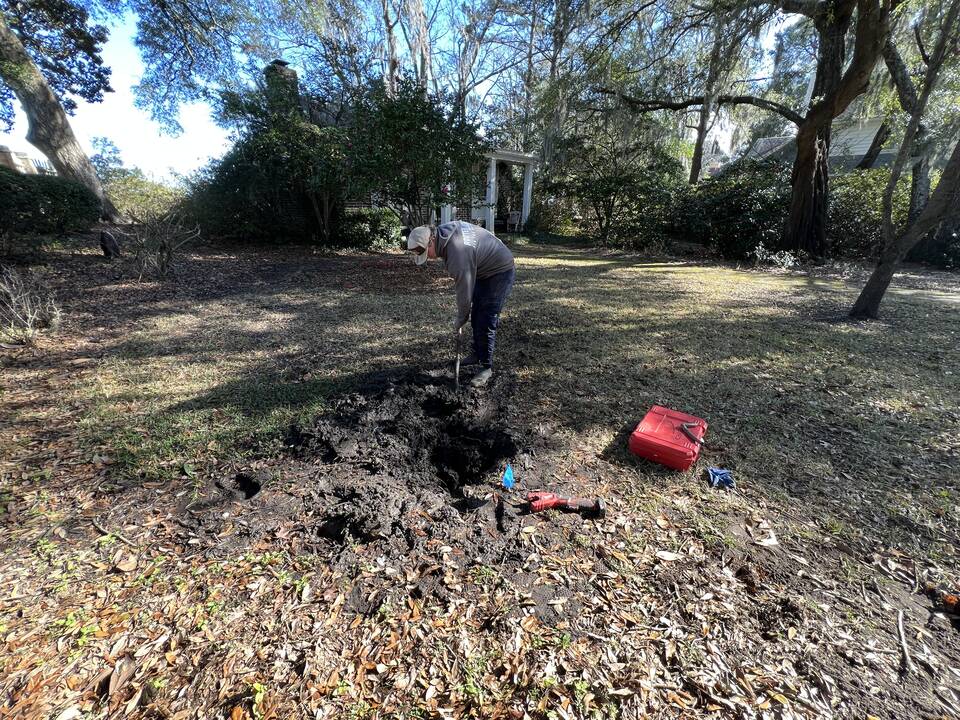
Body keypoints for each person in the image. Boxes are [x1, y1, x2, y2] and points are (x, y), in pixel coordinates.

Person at [407, 221, 515, 386]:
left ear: (431, 240)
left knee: (485, 317)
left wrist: (461, 318)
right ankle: (476, 354)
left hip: (499, 270)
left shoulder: (457, 253)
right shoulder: (444, 233)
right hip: (481, 268)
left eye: (424, 252)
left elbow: (464, 293)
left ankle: (486, 367)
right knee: (477, 315)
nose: (427, 257)